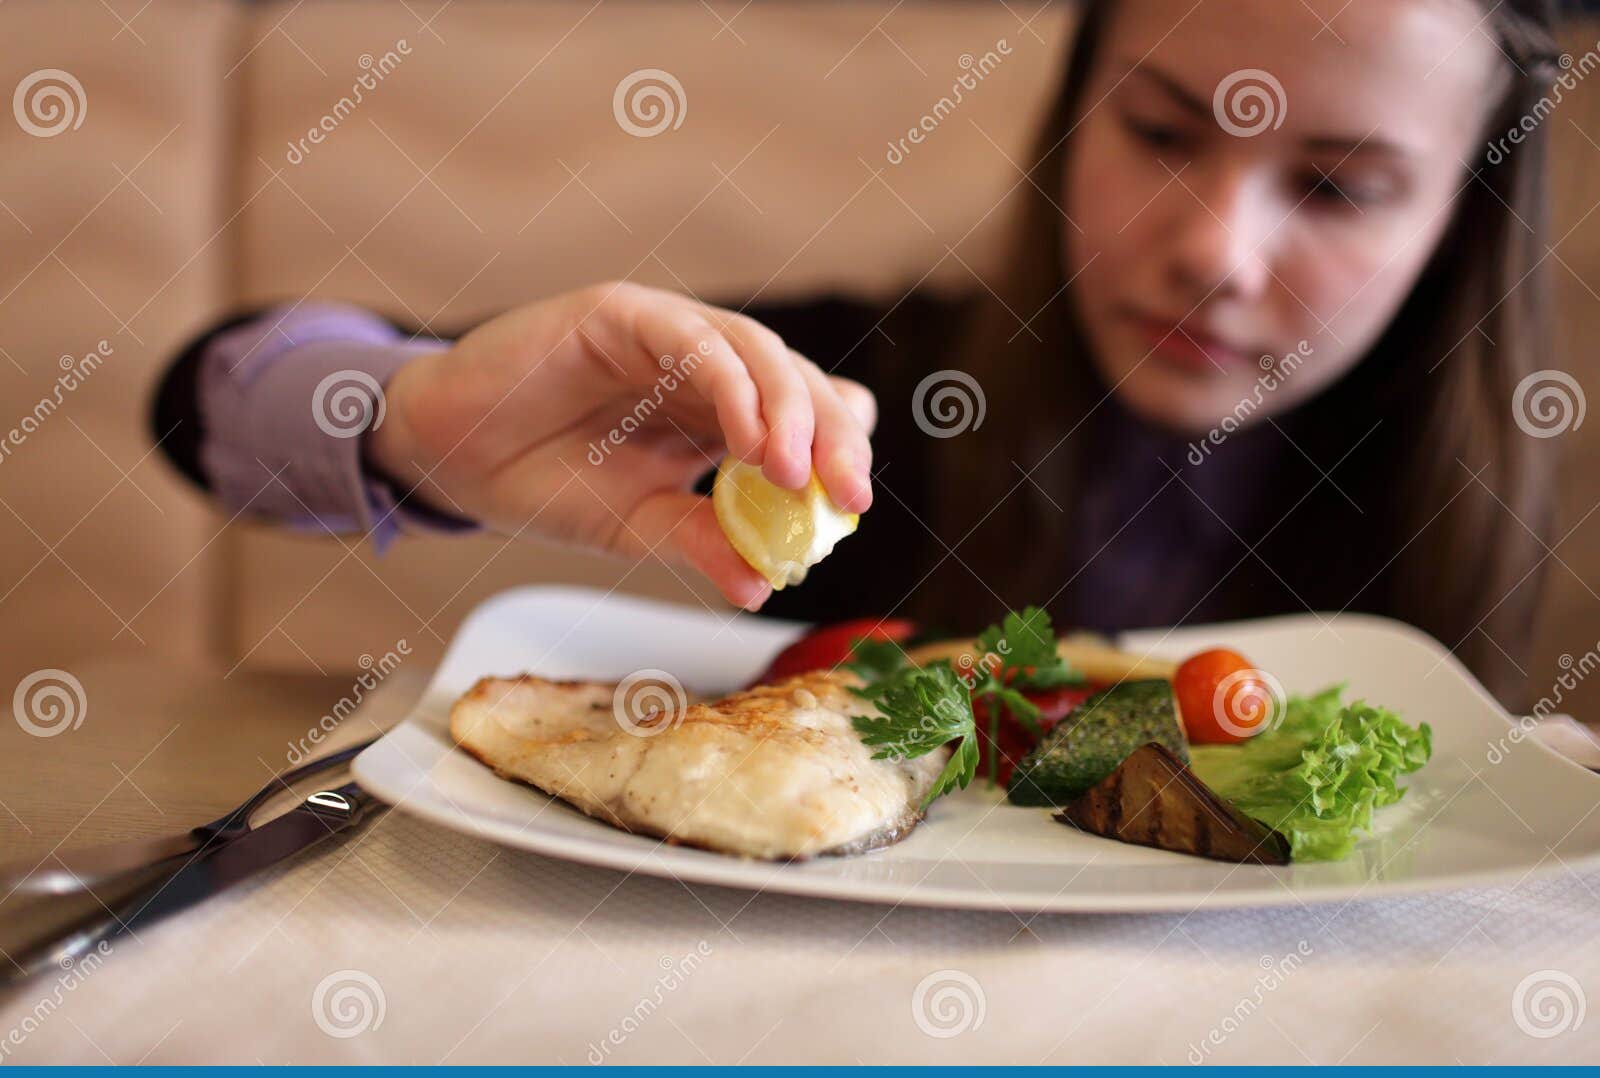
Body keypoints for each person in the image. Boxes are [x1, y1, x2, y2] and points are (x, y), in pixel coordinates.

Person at [152, 0, 1563, 705]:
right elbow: (199, 403)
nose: (1217, 252)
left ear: (1461, 216)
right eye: (1162, 131)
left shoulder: (1497, 535)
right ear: (1072, 112)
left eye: (1337, 187)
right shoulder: (843, 384)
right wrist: (411, 417)